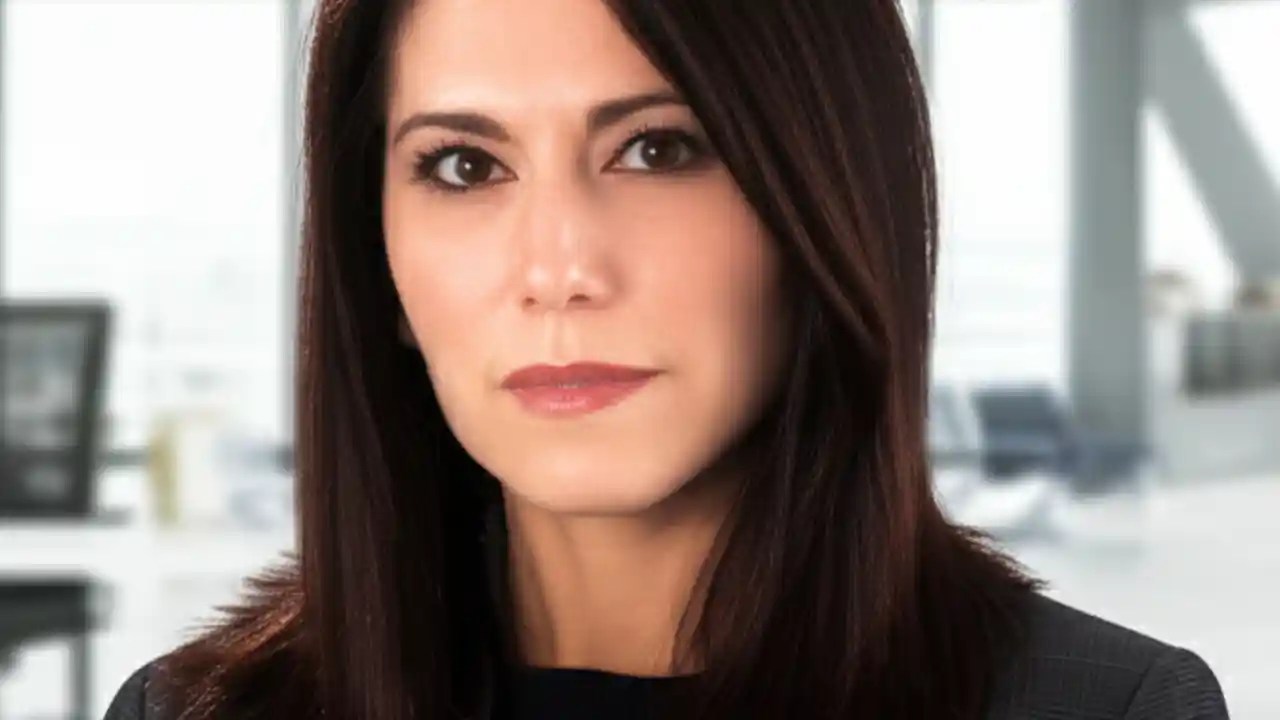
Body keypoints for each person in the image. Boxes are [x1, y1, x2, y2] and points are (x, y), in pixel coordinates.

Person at [103, 0, 1230, 718]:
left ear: (822, 211)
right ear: (377, 261)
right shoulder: (192, 710)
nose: (557, 267)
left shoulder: (1104, 707)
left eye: (658, 148)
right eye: (460, 167)